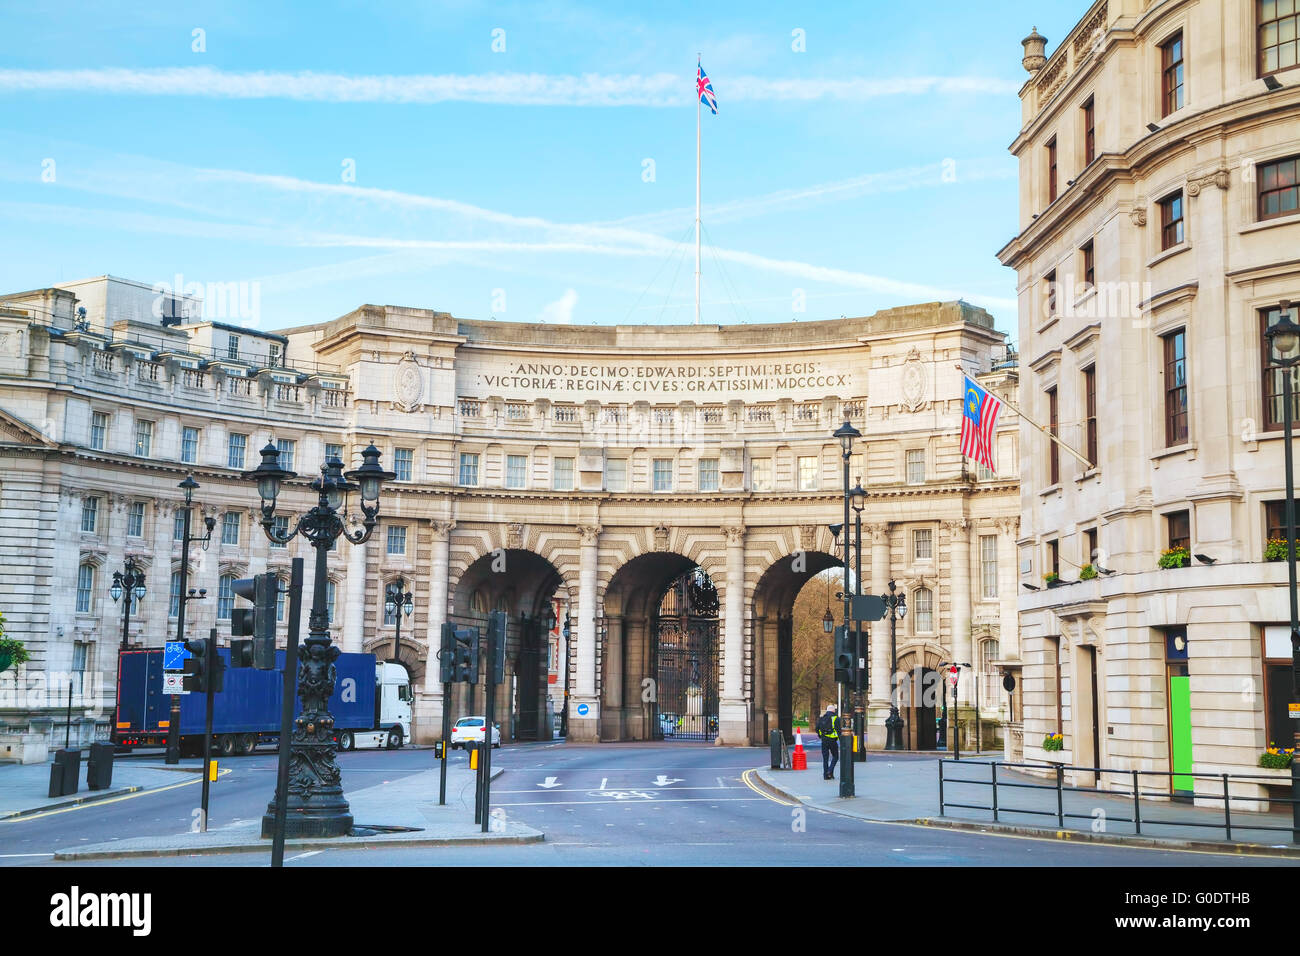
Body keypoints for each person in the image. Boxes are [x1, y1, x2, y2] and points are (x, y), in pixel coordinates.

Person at [815, 703, 839, 779]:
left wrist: (820, 736)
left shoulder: (821, 718)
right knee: (835, 756)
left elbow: (817, 728)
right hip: (832, 740)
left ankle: (826, 775)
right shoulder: (836, 718)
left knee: (825, 758)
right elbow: (839, 730)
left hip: (824, 740)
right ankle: (830, 771)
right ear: (833, 710)